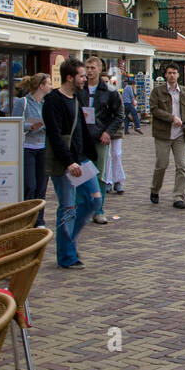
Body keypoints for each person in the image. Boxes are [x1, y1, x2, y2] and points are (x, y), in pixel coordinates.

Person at [44, 59, 100, 268]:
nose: (85, 78)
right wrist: (68, 162)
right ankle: (67, 256)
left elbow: (82, 129)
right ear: (70, 77)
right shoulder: (53, 100)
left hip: (81, 159)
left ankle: (69, 240)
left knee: (94, 200)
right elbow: (55, 135)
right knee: (67, 207)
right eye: (82, 75)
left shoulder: (77, 98)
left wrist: (90, 155)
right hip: (64, 162)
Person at [83, 56, 123, 223]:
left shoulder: (110, 91)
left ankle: (98, 209)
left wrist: (108, 132)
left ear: (100, 70)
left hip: (99, 137)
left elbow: (119, 115)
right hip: (82, 137)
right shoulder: (79, 90)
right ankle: (84, 208)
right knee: (82, 174)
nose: (90, 71)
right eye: (87, 68)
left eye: (93, 68)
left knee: (99, 174)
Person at [148, 62, 185, 208]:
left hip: (180, 134)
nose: (172, 75)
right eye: (169, 73)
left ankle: (178, 197)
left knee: (182, 166)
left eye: (174, 73)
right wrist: (172, 118)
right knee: (162, 165)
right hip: (163, 134)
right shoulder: (158, 91)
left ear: (178, 75)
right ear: (165, 75)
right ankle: (155, 190)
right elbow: (154, 110)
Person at [15, 73, 51, 227]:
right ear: (41, 86)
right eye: (49, 83)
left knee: (42, 186)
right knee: (30, 185)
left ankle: (39, 219)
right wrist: (30, 126)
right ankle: (27, 218)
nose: (51, 86)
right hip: (27, 147)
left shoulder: (47, 103)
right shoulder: (22, 102)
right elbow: (14, 124)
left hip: (43, 147)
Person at [100, 71, 127, 197]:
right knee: (107, 156)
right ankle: (108, 181)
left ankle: (119, 180)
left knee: (116, 154)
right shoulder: (98, 96)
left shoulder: (115, 94)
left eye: (106, 81)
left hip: (115, 129)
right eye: (103, 81)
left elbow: (120, 114)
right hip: (102, 130)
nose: (105, 84)